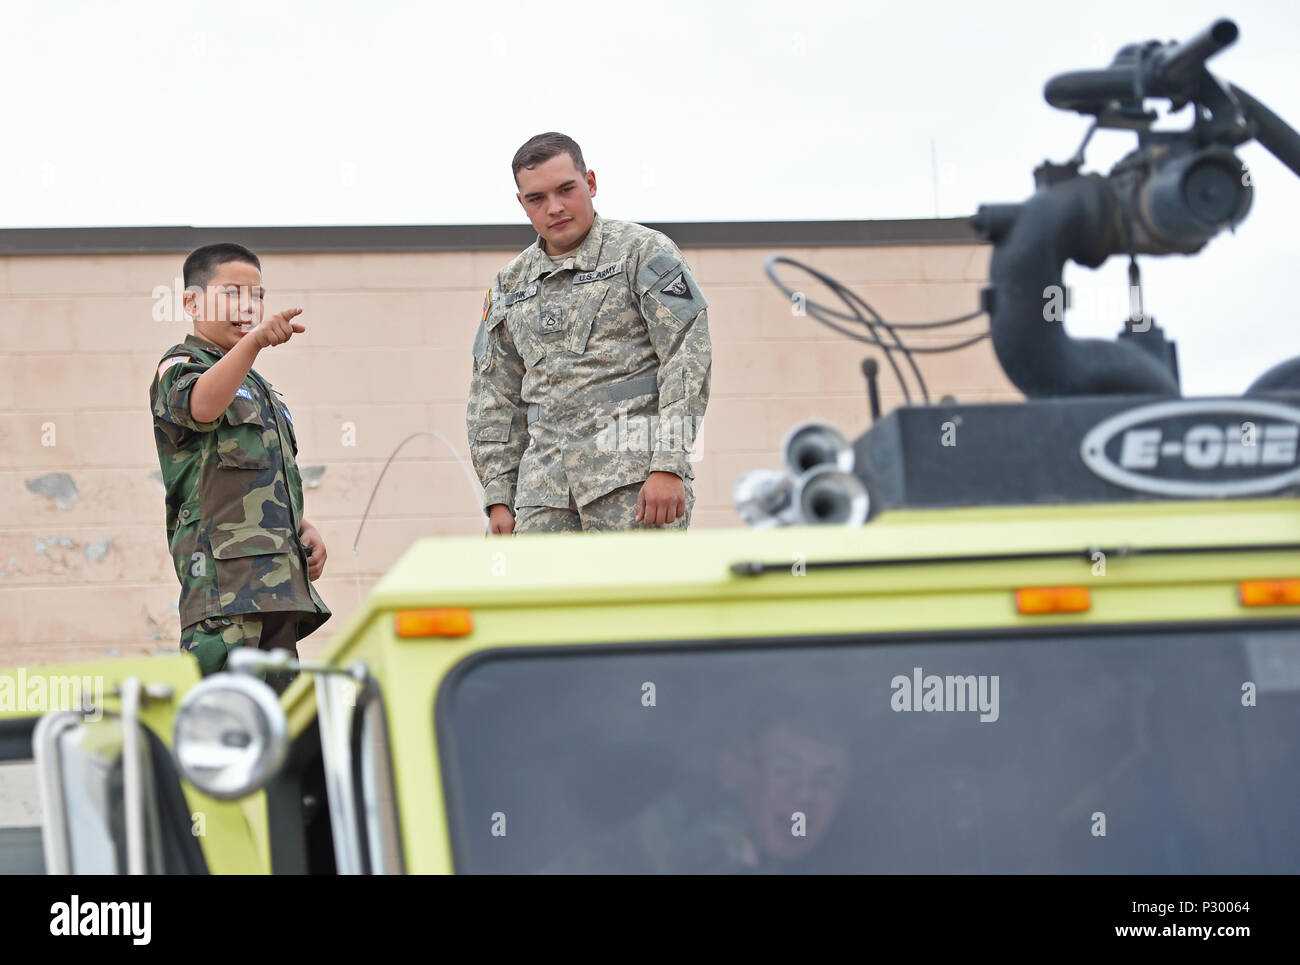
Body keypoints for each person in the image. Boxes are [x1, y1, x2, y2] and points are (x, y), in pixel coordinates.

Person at [467, 132, 712, 534]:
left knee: (638, 599)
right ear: (522, 204)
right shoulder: (510, 284)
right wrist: (498, 496)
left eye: (567, 189)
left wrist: (669, 464)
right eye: (537, 199)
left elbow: (688, 356)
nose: (555, 207)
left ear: (591, 183)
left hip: (635, 489)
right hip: (542, 500)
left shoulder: (642, 252)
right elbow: (493, 395)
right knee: (542, 599)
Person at [150, 243, 330, 684]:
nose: (248, 305)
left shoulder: (260, 387)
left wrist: (302, 525)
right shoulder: (181, 364)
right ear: (191, 301)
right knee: (227, 728)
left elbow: (259, 479)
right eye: (232, 292)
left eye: (257, 295)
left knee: (282, 731)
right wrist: (253, 343)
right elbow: (203, 406)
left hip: (277, 591)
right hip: (223, 596)